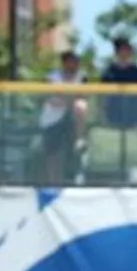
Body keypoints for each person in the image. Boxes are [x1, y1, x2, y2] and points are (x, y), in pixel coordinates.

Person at [36, 49, 87, 184]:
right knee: (53, 155)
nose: (74, 65)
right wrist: (67, 98)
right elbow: (52, 99)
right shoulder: (53, 77)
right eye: (71, 61)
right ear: (64, 63)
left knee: (70, 154)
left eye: (76, 62)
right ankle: (53, 183)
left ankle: (79, 138)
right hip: (52, 120)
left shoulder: (80, 77)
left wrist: (65, 98)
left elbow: (81, 97)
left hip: (72, 120)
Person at [100, 36, 137, 132]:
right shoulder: (108, 72)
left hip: (134, 115)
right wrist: (102, 115)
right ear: (117, 52)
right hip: (113, 114)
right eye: (123, 49)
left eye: (128, 49)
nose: (125, 52)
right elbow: (102, 98)